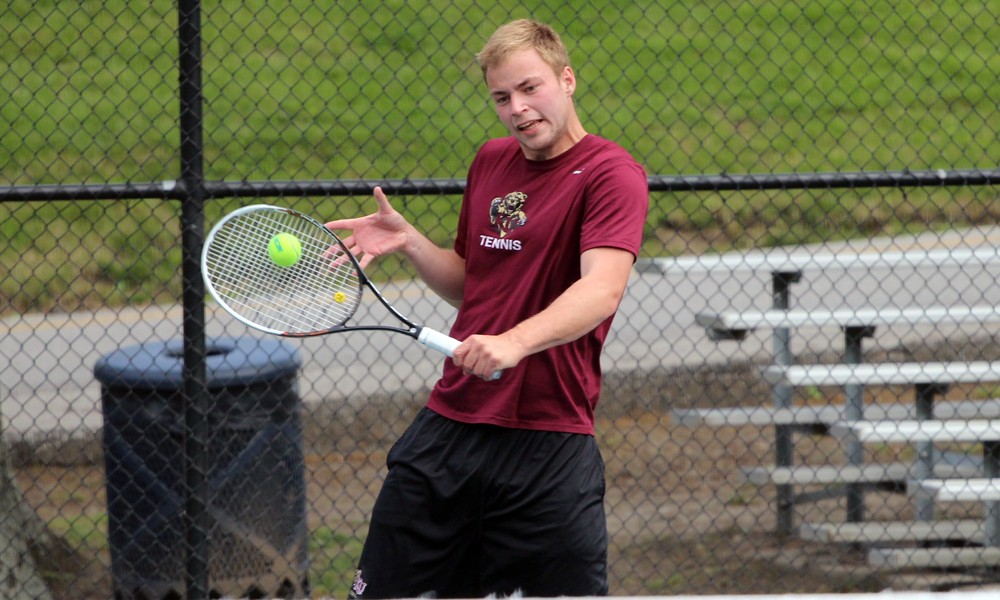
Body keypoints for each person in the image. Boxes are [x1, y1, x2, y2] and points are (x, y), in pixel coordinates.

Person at [328, 18, 649, 598]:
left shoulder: (611, 173)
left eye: (530, 88)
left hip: (548, 440)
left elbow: (602, 290)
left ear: (567, 79)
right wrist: (410, 242)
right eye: (502, 97)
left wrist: (514, 342)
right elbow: (471, 285)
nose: (517, 108)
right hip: (449, 429)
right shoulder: (491, 161)